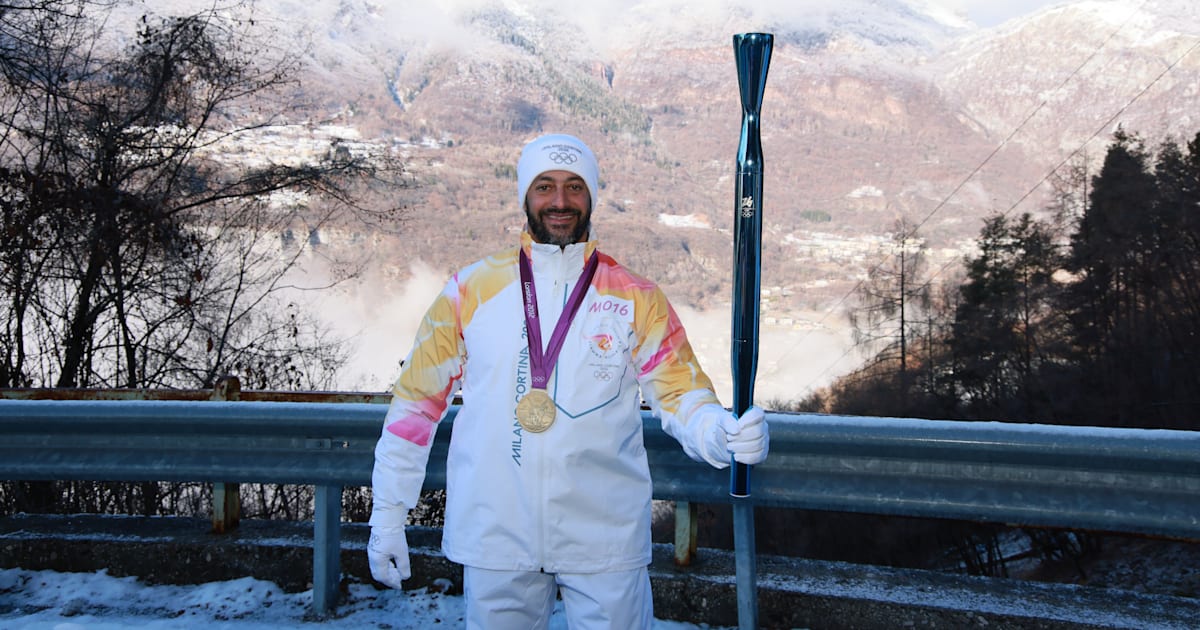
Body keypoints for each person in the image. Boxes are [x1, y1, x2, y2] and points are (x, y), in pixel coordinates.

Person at [368, 133, 769, 629]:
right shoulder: (469, 290)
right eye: (545, 186)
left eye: (575, 186)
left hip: (603, 537)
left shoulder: (635, 297)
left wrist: (717, 431)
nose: (560, 201)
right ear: (525, 196)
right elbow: (414, 408)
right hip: (496, 535)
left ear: (592, 196)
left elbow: (679, 389)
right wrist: (387, 513)